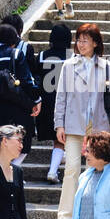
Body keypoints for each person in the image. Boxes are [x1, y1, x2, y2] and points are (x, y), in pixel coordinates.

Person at [54, 24, 110, 219]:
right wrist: (59, 124)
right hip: (73, 125)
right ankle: (66, 214)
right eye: (79, 40)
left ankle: (91, 213)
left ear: (95, 43)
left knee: (95, 169)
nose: (81, 44)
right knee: (72, 168)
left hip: (99, 126)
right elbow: (61, 97)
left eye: (85, 40)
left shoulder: (106, 66)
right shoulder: (69, 65)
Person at [0, 23, 41, 171]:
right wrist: (36, 100)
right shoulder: (16, 54)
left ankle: (0, 173)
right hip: (14, 109)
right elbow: (27, 81)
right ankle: (10, 170)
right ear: (13, 41)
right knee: (22, 141)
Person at [36, 21, 72, 182]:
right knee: (61, 138)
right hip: (65, 104)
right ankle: (52, 171)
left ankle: (58, 158)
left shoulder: (42, 56)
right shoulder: (72, 57)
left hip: (45, 103)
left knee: (56, 137)